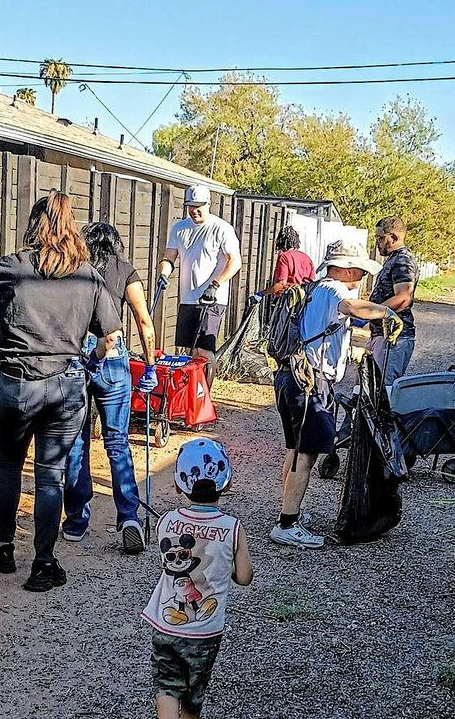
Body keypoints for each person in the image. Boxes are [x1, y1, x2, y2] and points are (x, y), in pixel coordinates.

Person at [0, 191, 122, 593]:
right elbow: (111, 336)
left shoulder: (14, 267)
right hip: (66, 388)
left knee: (10, 463)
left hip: (14, 386)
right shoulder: (88, 276)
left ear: (35, 225)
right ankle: (44, 563)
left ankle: (2, 546)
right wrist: (91, 360)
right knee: (50, 475)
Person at [270, 241, 403, 549]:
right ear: (346, 268)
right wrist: (386, 313)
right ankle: (287, 524)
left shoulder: (314, 288)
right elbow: (353, 308)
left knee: (296, 449)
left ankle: (288, 512)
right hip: (310, 381)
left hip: (291, 375)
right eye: (359, 269)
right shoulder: (335, 290)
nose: (362, 275)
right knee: (306, 454)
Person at [142, 438, 253, 719]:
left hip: (166, 622)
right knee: (195, 685)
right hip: (206, 629)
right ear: (227, 484)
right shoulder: (233, 528)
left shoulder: (166, 522)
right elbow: (244, 577)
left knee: (166, 682)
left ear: (178, 486)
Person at [62, 222, 158, 554]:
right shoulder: (125, 270)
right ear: (116, 244)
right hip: (114, 357)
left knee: (76, 443)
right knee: (117, 443)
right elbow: (144, 321)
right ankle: (129, 516)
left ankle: (76, 520)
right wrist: (150, 366)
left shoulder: (73, 269)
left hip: (78, 357)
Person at [156, 184, 241, 388]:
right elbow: (169, 257)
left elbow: (235, 261)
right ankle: (191, 394)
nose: (194, 210)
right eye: (190, 206)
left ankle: (205, 396)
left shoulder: (221, 228)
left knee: (204, 351)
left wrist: (215, 284)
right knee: (190, 351)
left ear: (208, 203)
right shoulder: (179, 228)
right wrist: (164, 273)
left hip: (212, 299)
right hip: (188, 298)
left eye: (198, 206)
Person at [368, 216, 420, 390]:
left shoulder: (402, 260)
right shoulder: (394, 258)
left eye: (380, 238)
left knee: (385, 391)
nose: (377, 243)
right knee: (373, 389)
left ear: (394, 237)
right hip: (383, 335)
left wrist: (369, 312)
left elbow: (404, 298)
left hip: (394, 337)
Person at [252, 225, 315, 300]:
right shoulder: (307, 258)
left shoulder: (285, 256)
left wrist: (260, 294)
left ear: (281, 242)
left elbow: (281, 284)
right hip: (304, 301)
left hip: (286, 300)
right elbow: (311, 282)